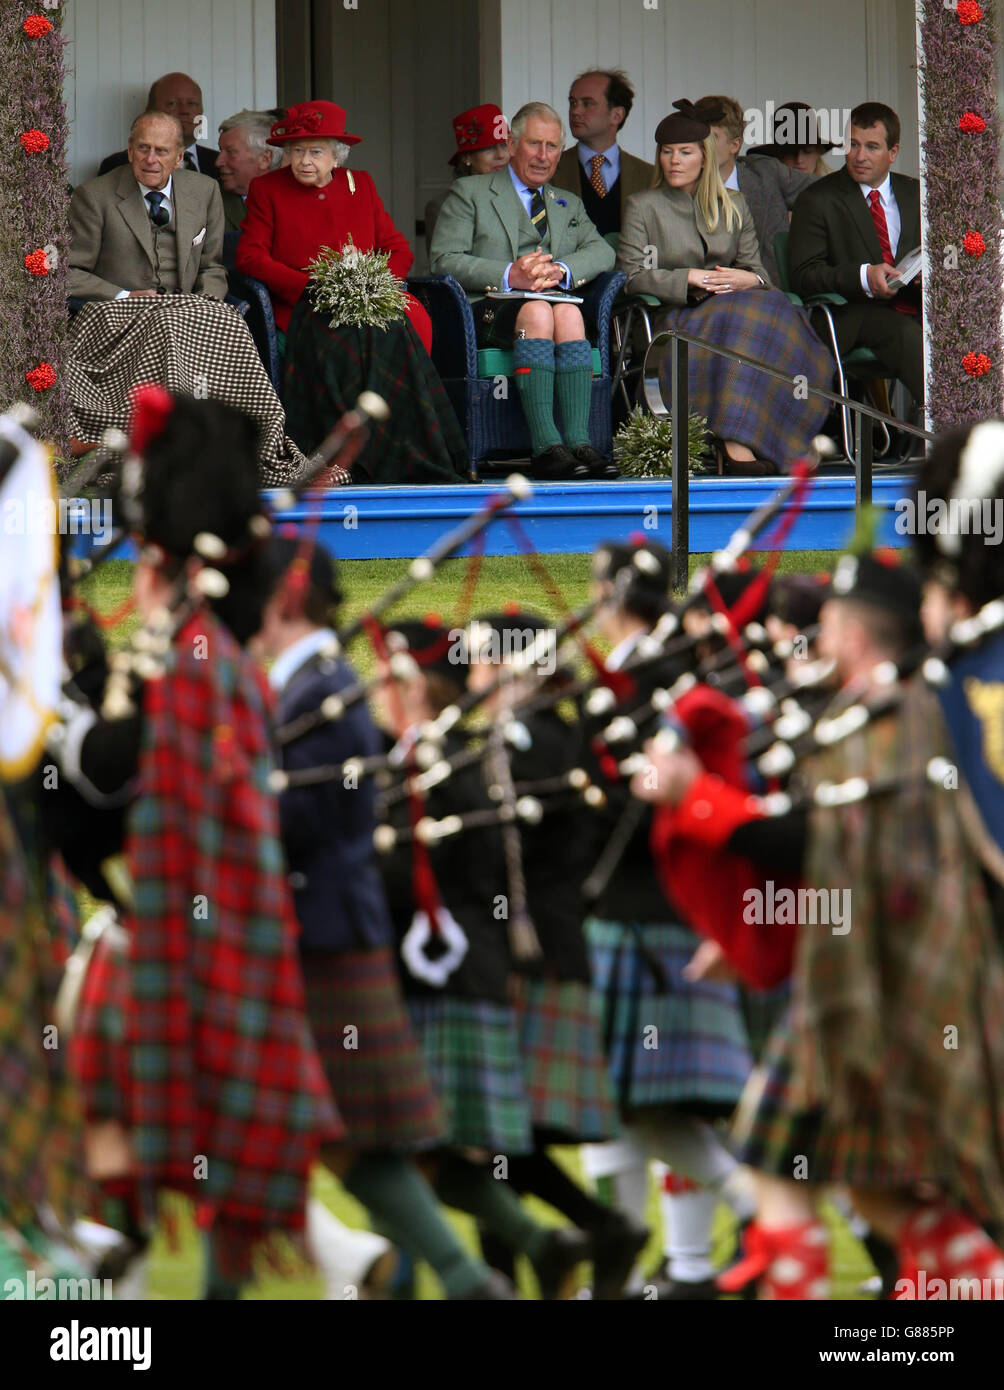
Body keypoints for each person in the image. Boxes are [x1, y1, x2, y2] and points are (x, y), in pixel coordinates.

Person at [638, 550, 1004, 1299]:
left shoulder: (897, 719)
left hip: (887, 981)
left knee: (791, 1170)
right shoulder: (887, 710)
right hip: (875, 973)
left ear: (846, 626)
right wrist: (752, 931)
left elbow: (819, 842)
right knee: (879, 1188)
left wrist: (696, 798)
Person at [50, 391, 342, 1299]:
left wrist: (55, 720)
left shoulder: (192, 659)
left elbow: (111, 781)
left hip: (187, 933)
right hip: (186, 924)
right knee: (141, 1139)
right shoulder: (196, 644)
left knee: (158, 1144)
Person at [254, 537, 516, 1300]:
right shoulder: (305, 686)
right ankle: (434, 1276)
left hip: (326, 934)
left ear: (286, 599)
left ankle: (406, 1272)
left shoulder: (323, 690)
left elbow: (309, 817)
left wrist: (230, 802)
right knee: (340, 1138)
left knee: (292, 1130)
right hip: (317, 933)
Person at [374, 616, 593, 1297]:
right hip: (457, 968)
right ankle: (536, 1248)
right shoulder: (454, 755)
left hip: (448, 972)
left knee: (411, 1148)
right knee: (424, 1150)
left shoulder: (462, 762)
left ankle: (496, 1262)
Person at [579, 539, 757, 1299]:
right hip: (654, 916)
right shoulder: (664, 679)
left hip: (648, 917)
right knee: (618, 1111)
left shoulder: (654, 688)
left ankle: (761, 1216)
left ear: (616, 599)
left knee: (637, 1108)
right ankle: (625, 1272)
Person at [462, 609, 650, 1298]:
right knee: (498, 1139)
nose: (472, 673)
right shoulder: (563, 732)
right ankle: (563, 1245)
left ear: (515, 667)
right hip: (550, 941)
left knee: (490, 1135)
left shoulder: (521, 742)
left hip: (526, 949)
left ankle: (579, 1236)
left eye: (484, 659)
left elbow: (504, 853)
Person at [66, 111, 304, 485]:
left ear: (179, 157)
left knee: (226, 319)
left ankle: (250, 441)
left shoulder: (204, 191)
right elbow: (68, 273)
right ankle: (171, 445)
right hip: (117, 315)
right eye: (143, 148)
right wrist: (124, 294)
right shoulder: (95, 196)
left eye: (162, 151)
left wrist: (206, 304)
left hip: (187, 310)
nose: (150, 159)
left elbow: (211, 268)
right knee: (168, 323)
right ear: (129, 151)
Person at [236, 100, 467, 483]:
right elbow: (249, 258)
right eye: (295, 151)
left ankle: (388, 454)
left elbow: (398, 249)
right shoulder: (267, 189)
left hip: (367, 301)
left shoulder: (360, 185)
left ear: (336, 157)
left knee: (395, 325)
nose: (303, 161)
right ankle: (346, 458)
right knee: (362, 335)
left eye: (315, 152)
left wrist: (371, 286)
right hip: (304, 307)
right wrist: (313, 288)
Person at [617, 99, 833, 475]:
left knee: (776, 306)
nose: (674, 161)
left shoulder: (732, 204)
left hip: (735, 308)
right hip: (673, 317)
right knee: (747, 320)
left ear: (704, 156)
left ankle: (770, 439)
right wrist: (686, 277)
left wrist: (751, 279)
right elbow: (632, 275)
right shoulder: (643, 206)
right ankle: (738, 445)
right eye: (667, 153)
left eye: (685, 152)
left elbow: (755, 268)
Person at [431, 100, 618, 481]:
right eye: (534, 144)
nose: (543, 155)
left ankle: (580, 443)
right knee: (537, 311)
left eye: (552, 147)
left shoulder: (567, 202)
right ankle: (547, 447)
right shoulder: (471, 192)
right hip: (485, 306)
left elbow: (603, 250)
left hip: (551, 302)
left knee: (566, 312)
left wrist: (564, 270)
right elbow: (444, 259)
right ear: (513, 145)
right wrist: (508, 275)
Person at [788, 101, 923, 407]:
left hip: (914, 305)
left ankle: (985, 420)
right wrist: (864, 276)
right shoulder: (816, 199)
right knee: (905, 333)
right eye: (852, 145)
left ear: (893, 152)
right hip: (847, 314)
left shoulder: (916, 193)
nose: (860, 156)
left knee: (971, 327)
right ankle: (955, 429)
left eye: (872, 147)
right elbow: (802, 276)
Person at [694, 94, 817, 286]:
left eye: (711, 138)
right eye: (696, 137)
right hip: (705, 297)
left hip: (767, 294)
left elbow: (825, 193)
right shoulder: (682, 183)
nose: (702, 145)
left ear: (735, 144)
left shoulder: (766, 173)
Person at [551, 69, 654, 239]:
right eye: (573, 102)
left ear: (616, 115)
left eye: (588, 103)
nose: (575, 111)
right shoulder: (550, 169)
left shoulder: (649, 176)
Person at [424, 104, 510, 257]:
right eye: (489, 148)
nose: (500, 155)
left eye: (504, 146)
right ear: (466, 157)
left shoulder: (524, 195)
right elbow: (444, 267)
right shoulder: (443, 206)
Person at [98, 71, 219, 179]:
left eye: (192, 104)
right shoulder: (117, 166)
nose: (184, 111)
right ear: (150, 111)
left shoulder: (221, 164)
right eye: (172, 104)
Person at [216, 109, 283, 237]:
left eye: (231, 152)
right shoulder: (209, 202)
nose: (218, 162)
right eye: (220, 151)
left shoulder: (296, 200)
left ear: (265, 159)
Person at [747, 100, 841, 179]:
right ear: (778, 155)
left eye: (807, 151)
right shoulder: (761, 193)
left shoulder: (831, 195)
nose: (799, 160)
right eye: (791, 152)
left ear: (818, 152)